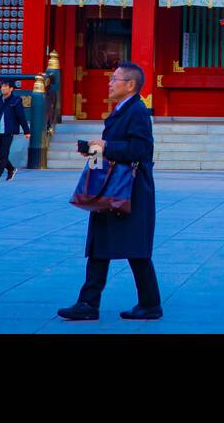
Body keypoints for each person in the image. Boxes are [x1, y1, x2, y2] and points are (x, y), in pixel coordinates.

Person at [58, 61, 161, 321]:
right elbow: (118, 147)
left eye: (115, 79)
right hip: (113, 188)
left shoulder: (137, 111)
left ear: (130, 85)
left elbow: (140, 150)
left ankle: (150, 304)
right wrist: (96, 148)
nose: (110, 82)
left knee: (135, 248)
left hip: (130, 190)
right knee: (99, 245)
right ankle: (88, 303)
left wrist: (106, 144)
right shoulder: (122, 109)